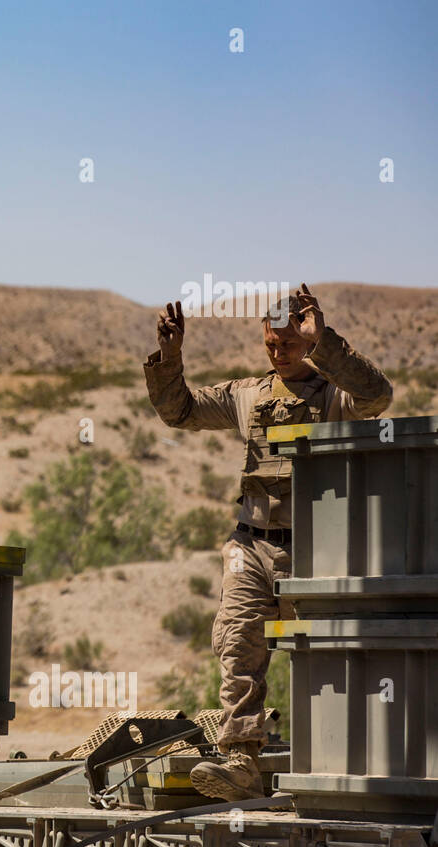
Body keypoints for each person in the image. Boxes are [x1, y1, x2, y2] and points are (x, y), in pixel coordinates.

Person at [143, 284, 392, 801]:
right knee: (238, 643)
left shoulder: (335, 395)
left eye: (290, 343)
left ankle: (344, 761)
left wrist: (325, 342)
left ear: (306, 339)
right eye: (271, 344)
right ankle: (240, 760)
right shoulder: (248, 394)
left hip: (318, 551)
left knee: (331, 657)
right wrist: (170, 359)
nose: (279, 352)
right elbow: (179, 411)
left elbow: (378, 396)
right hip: (251, 545)